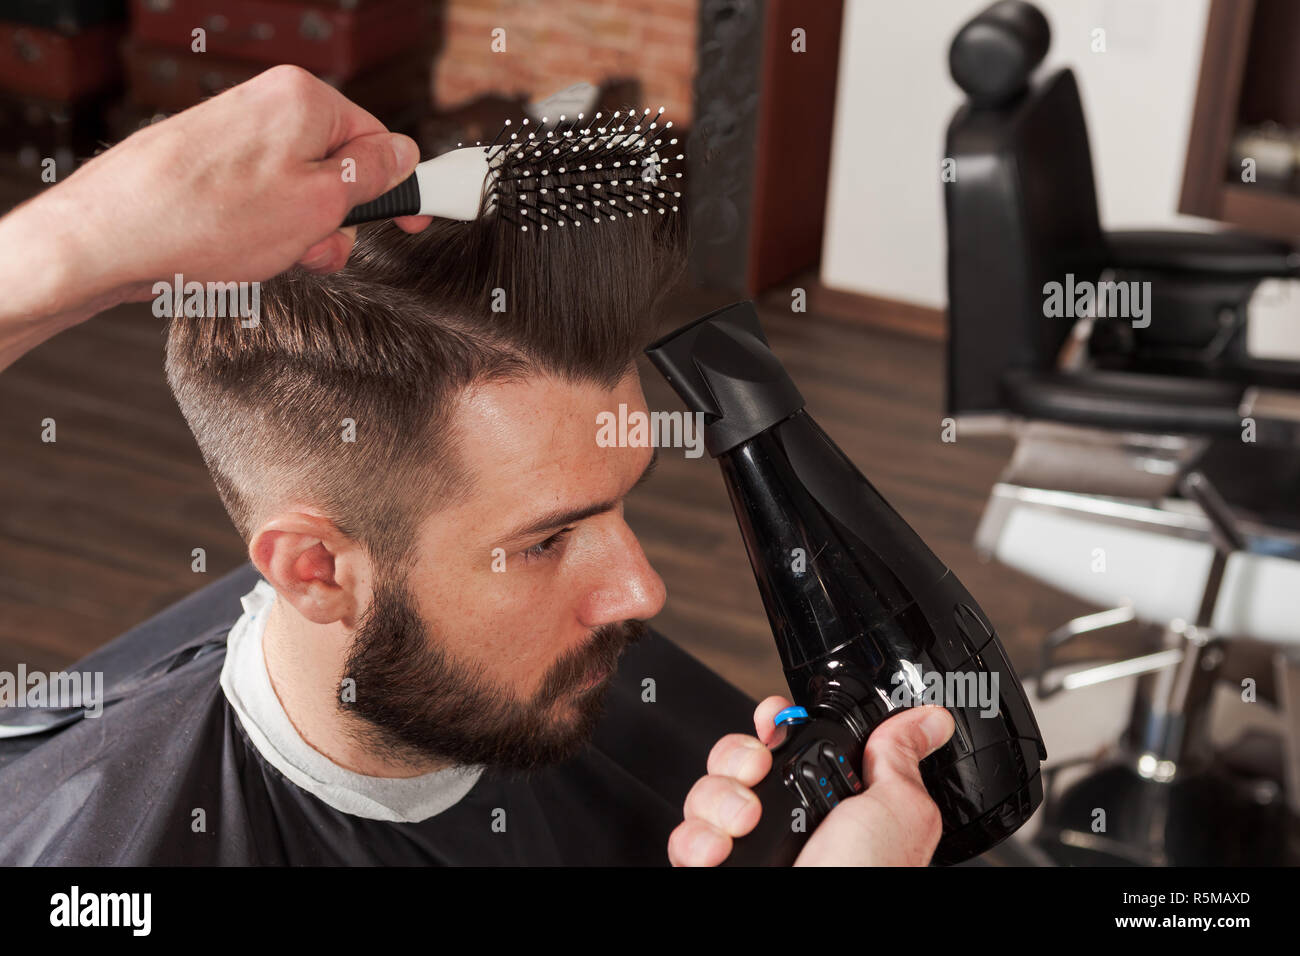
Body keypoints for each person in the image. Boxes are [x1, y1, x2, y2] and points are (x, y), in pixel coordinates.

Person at [0, 65, 955, 866]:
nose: (641, 592)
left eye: (619, 509)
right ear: (316, 571)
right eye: (546, 542)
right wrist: (74, 241)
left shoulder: (571, 689)